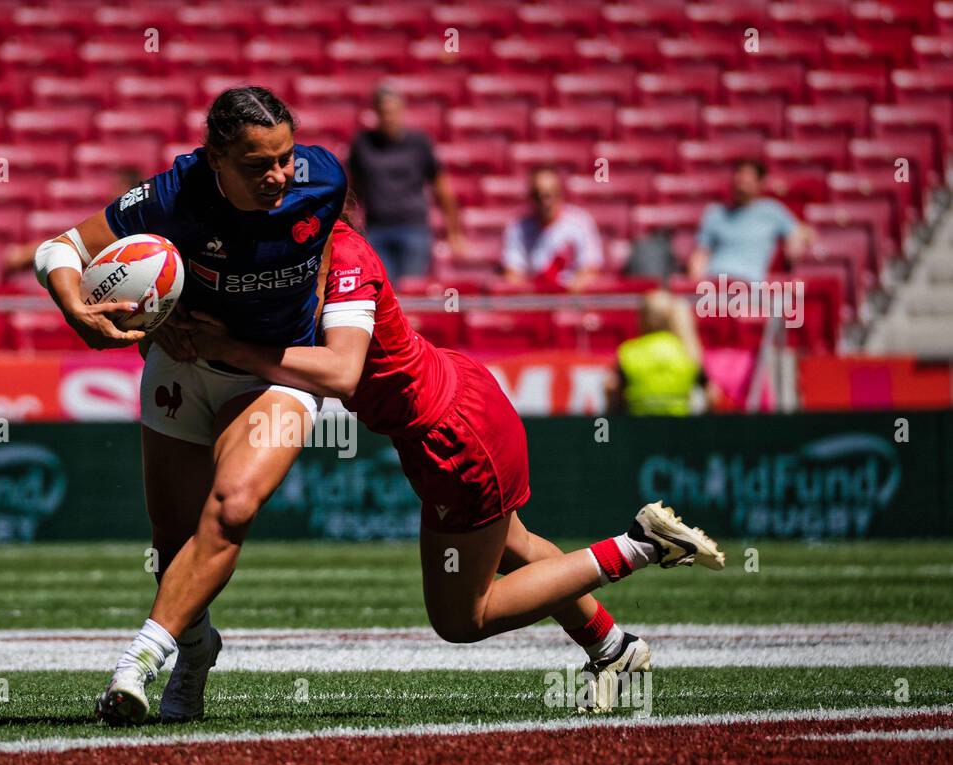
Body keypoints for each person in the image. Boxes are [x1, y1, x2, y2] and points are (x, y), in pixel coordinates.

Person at [187, 220, 725, 715]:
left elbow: (340, 374)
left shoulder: (340, 257)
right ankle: (613, 650)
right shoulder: (318, 246)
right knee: (518, 545)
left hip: (453, 437)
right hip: (457, 403)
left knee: (461, 619)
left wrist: (229, 349)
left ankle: (642, 544)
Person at [34, 87, 348, 725]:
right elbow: (58, 250)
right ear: (214, 160)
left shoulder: (325, 180)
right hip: (183, 368)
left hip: (276, 373)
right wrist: (78, 310)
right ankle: (197, 649)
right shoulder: (175, 194)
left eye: (285, 158)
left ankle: (137, 662)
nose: (279, 176)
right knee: (172, 544)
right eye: (257, 164)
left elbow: (328, 252)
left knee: (232, 506)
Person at [347, 85, 465, 282]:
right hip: (376, 229)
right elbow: (353, 189)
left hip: (413, 229)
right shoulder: (362, 144)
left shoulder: (419, 143)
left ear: (402, 110)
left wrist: (454, 231)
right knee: (382, 290)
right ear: (376, 113)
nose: (389, 117)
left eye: (393, 112)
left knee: (412, 291)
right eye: (384, 112)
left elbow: (441, 187)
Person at [687, 159, 814, 283]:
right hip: (715, 283)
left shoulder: (772, 211)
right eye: (739, 181)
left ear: (759, 184)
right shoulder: (715, 213)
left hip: (750, 286)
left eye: (747, 183)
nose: (742, 187)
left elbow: (802, 232)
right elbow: (700, 254)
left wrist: (795, 240)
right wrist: (697, 286)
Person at [607, 290, 720, 415]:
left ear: (643, 318)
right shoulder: (689, 351)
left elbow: (612, 389)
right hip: (681, 430)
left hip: (636, 429)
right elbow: (713, 394)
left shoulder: (628, 352)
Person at [501, 166, 603, 291]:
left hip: (573, 300)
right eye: (539, 196)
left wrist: (566, 294)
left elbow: (589, 269)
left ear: (560, 194)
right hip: (535, 301)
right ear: (531, 197)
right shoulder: (518, 228)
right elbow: (513, 273)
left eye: (550, 194)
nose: (546, 202)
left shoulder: (580, 223)